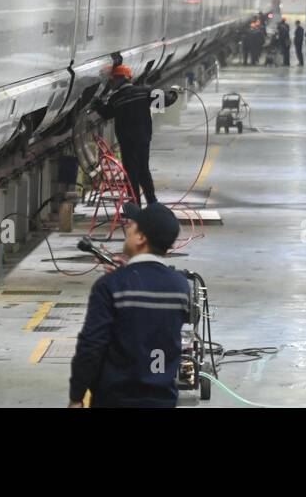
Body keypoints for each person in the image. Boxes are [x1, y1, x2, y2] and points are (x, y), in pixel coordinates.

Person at [68, 202, 191, 408]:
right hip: (162, 399)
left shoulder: (110, 286)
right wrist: (132, 273)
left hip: (116, 399)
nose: (127, 229)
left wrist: (76, 395)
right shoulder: (180, 286)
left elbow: (91, 346)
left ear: (141, 238)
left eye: (132, 226)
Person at [91, 65, 179, 205]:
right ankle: (152, 203)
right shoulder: (144, 91)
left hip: (126, 141)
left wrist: (97, 103)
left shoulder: (116, 98)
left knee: (130, 173)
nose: (111, 84)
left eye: (113, 81)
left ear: (121, 79)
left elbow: (106, 113)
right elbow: (166, 101)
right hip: (143, 138)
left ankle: (135, 204)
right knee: (144, 170)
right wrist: (174, 92)